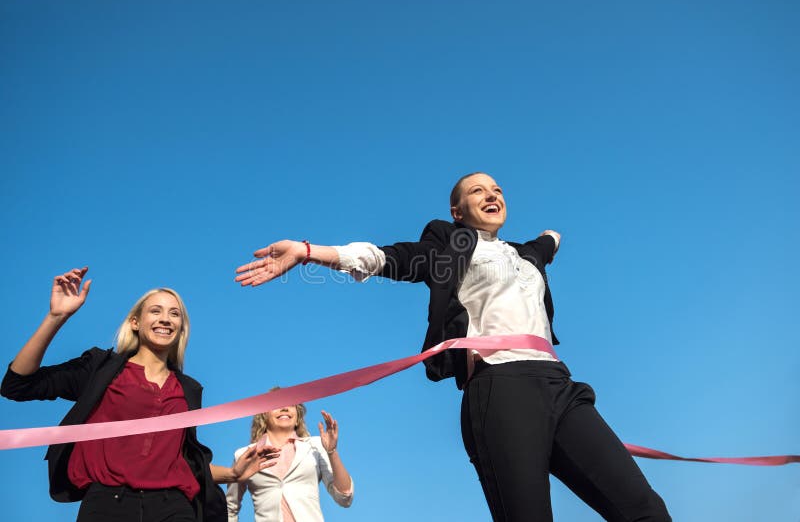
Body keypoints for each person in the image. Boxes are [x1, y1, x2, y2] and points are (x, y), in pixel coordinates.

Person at [234, 172, 671, 521]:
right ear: (457, 211)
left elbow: (545, 245)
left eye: (497, 188)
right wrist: (309, 251)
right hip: (500, 387)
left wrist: (551, 239)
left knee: (645, 510)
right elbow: (389, 257)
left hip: (559, 385)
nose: (491, 193)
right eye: (477, 190)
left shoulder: (525, 255)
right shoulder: (451, 246)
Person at [1, 267, 278, 522]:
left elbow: (181, 462)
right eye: (155, 311)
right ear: (135, 322)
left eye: (174, 313)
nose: (165, 319)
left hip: (175, 507)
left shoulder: (188, 389)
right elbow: (17, 385)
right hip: (107, 503)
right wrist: (56, 317)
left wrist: (232, 474)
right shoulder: (101, 368)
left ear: (181, 327)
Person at [226, 393, 353, 522]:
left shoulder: (315, 446)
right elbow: (230, 509)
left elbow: (345, 498)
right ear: (264, 415)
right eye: (276, 404)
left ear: (297, 416)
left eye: (290, 404)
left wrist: (332, 451)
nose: (284, 408)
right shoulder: (244, 455)